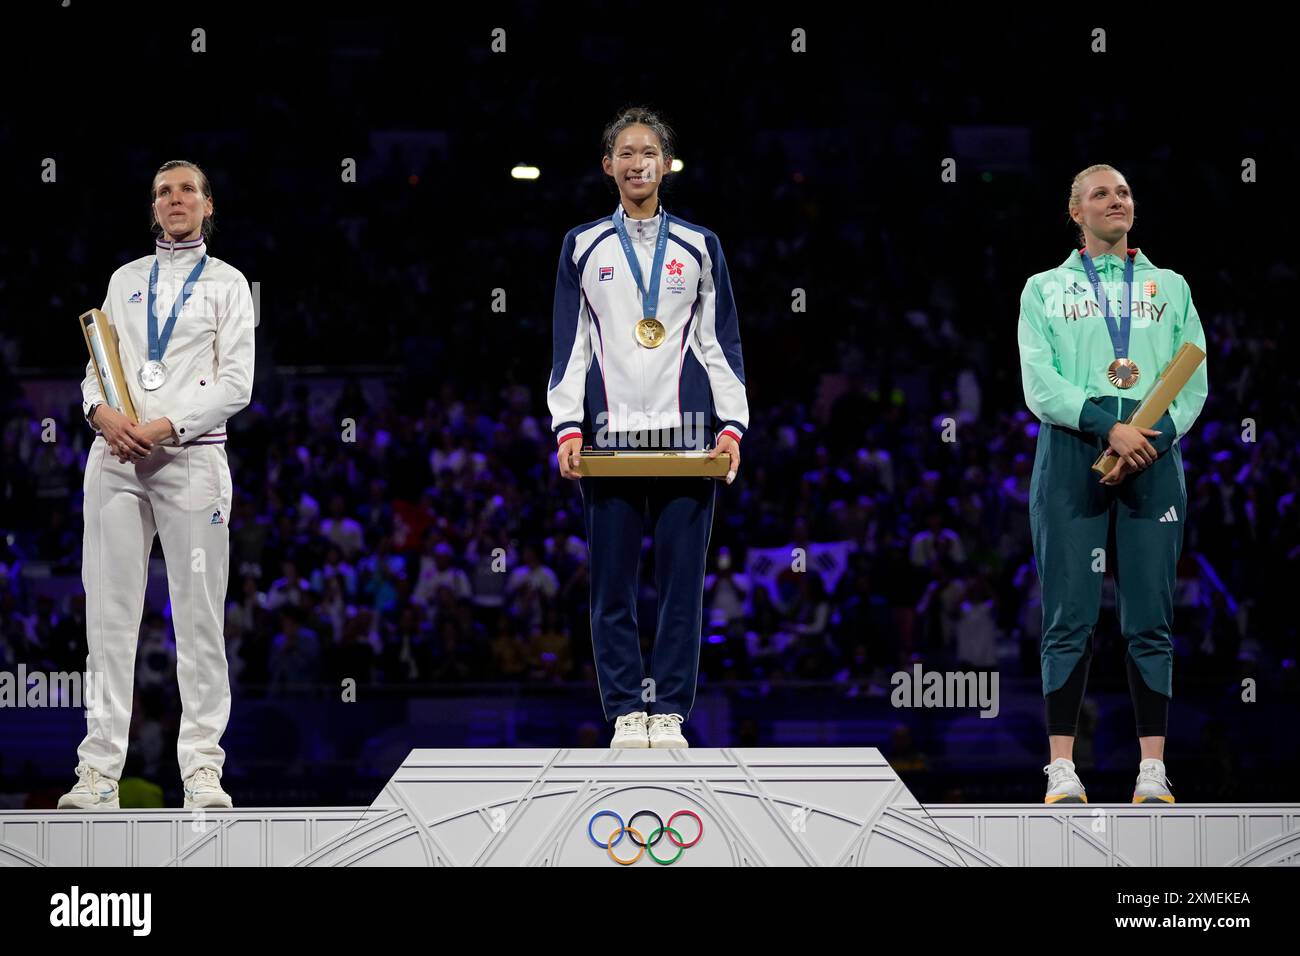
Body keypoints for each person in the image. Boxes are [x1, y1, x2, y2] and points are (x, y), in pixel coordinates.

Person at [547, 106, 749, 748]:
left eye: (649, 153)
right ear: (609, 167)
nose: (638, 164)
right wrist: (567, 426)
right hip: (607, 437)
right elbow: (569, 346)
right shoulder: (582, 246)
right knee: (612, 587)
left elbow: (721, 344)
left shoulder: (699, 245)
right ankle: (627, 711)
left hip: (687, 434)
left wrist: (732, 426)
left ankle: (669, 712)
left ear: (666, 165)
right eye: (626, 154)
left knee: (682, 589)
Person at [59, 159, 255, 810]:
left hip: (191, 461)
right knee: (108, 622)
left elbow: (237, 385)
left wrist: (166, 426)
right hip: (115, 460)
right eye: (163, 192)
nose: (174, 199)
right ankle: (98, 775)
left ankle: (202, 772)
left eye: (186, 190)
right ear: (154, 208)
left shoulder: (230, 285)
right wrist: (99, 413)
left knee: (197, 622)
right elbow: (98, 368)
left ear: (207, 206)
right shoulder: (125, 280)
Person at [1017, 164, 1207, 805]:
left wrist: (1153, 436)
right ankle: (1062, 769)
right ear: (1076, 212)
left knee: (1151, 616)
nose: (1116, 200)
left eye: (1124, 191)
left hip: (1154, 452)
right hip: (1074, 450)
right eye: (1100, 193)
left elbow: (1194, 375)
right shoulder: (1043, 288)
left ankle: (1152, 770)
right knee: (1068, 615)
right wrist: (1108, 427)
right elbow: (1039, 383)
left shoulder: (1170, 285)